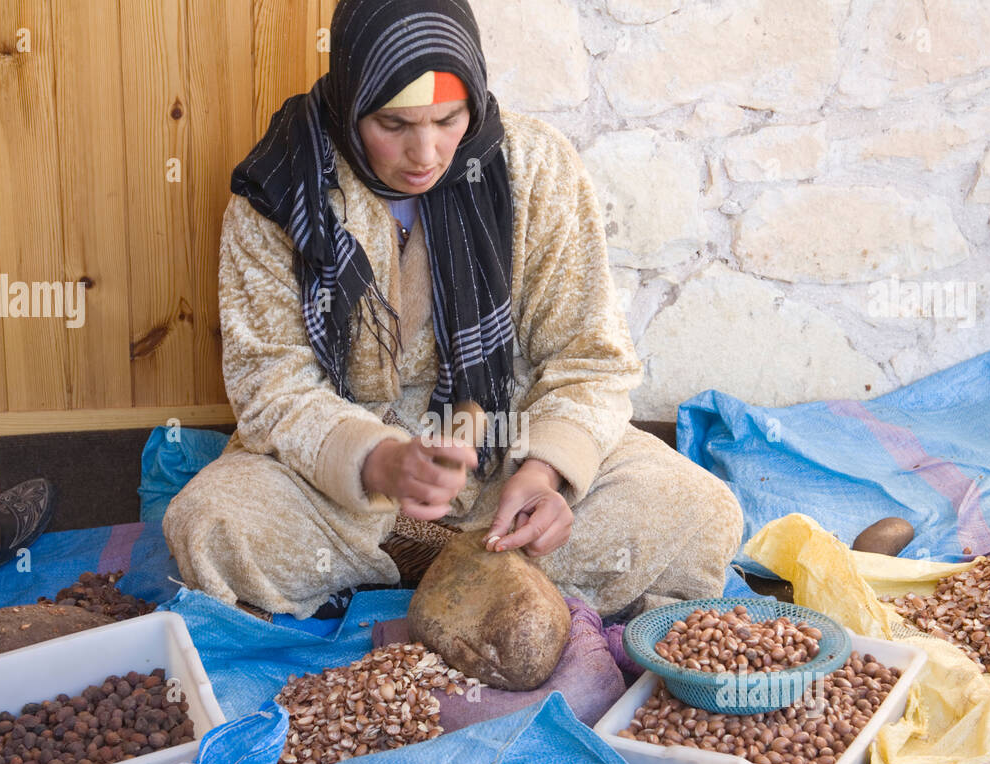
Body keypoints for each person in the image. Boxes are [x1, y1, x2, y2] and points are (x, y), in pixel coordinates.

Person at [163, 0, 743, 622]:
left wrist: (546, 474)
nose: (426, 152)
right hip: (345, 494)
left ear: (475, 96)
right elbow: (270, 383)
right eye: (392, 123)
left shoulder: (536, 168)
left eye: (448, 118)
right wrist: (382, 462)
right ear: (350, 101)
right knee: (211, 524)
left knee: (698, 510)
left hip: (504, 462)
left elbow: (588, 357)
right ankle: (495, 592)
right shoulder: (280, 188)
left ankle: (422, 583)